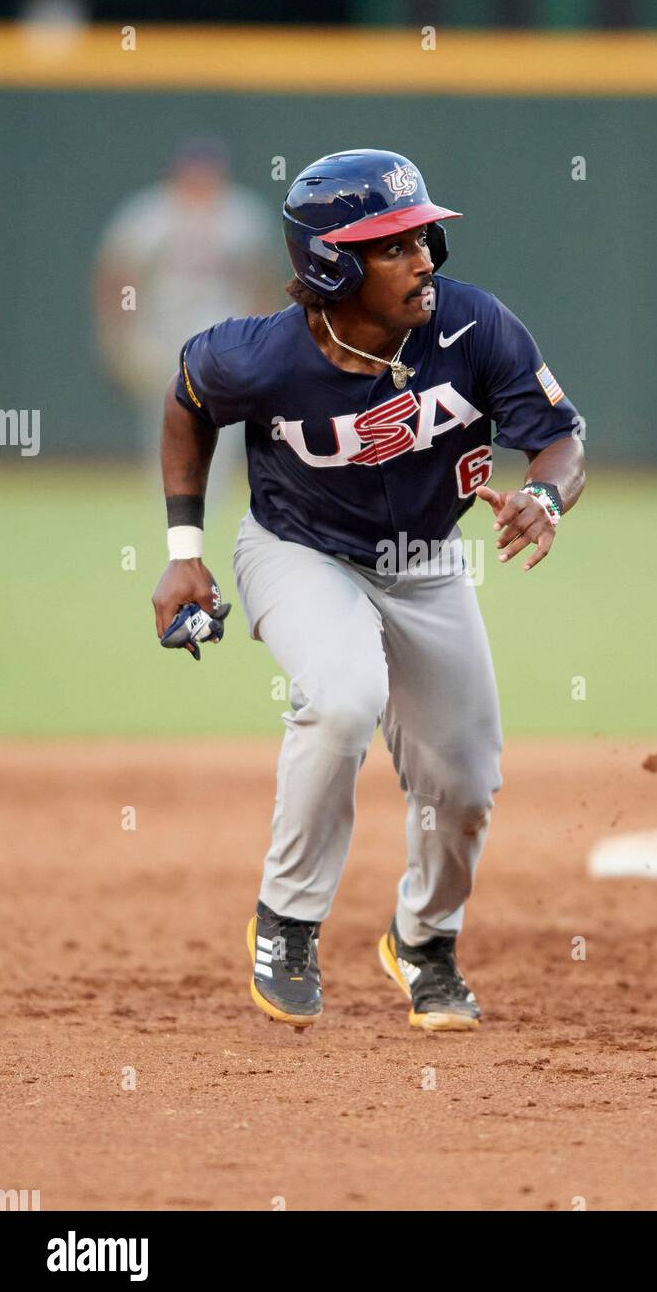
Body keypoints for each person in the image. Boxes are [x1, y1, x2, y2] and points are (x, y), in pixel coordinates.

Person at [152, 149, 585, 1033]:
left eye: (423, 235)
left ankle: (423, 942)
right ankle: (287, 921)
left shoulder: (474, 328)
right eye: (393, 245)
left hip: (427, 564)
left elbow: (561, 442)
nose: (424, 255)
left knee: (464, 782)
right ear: (332, 265)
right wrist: (183, 550)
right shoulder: (261, 358)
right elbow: (187, 401)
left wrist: (543, 496)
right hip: (297, 551)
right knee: (343, 700)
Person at [93, 135, 281, 494]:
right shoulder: (150, 214)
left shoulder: (240, 213)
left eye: (208, 172)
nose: (200, 179)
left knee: (223, 410)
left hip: (220, 325)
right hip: (162, 326)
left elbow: (260, 276)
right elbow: (117, 274)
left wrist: (262, 334)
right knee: (166, 409)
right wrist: (119, 332)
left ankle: (212, 493)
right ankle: (170, 492)